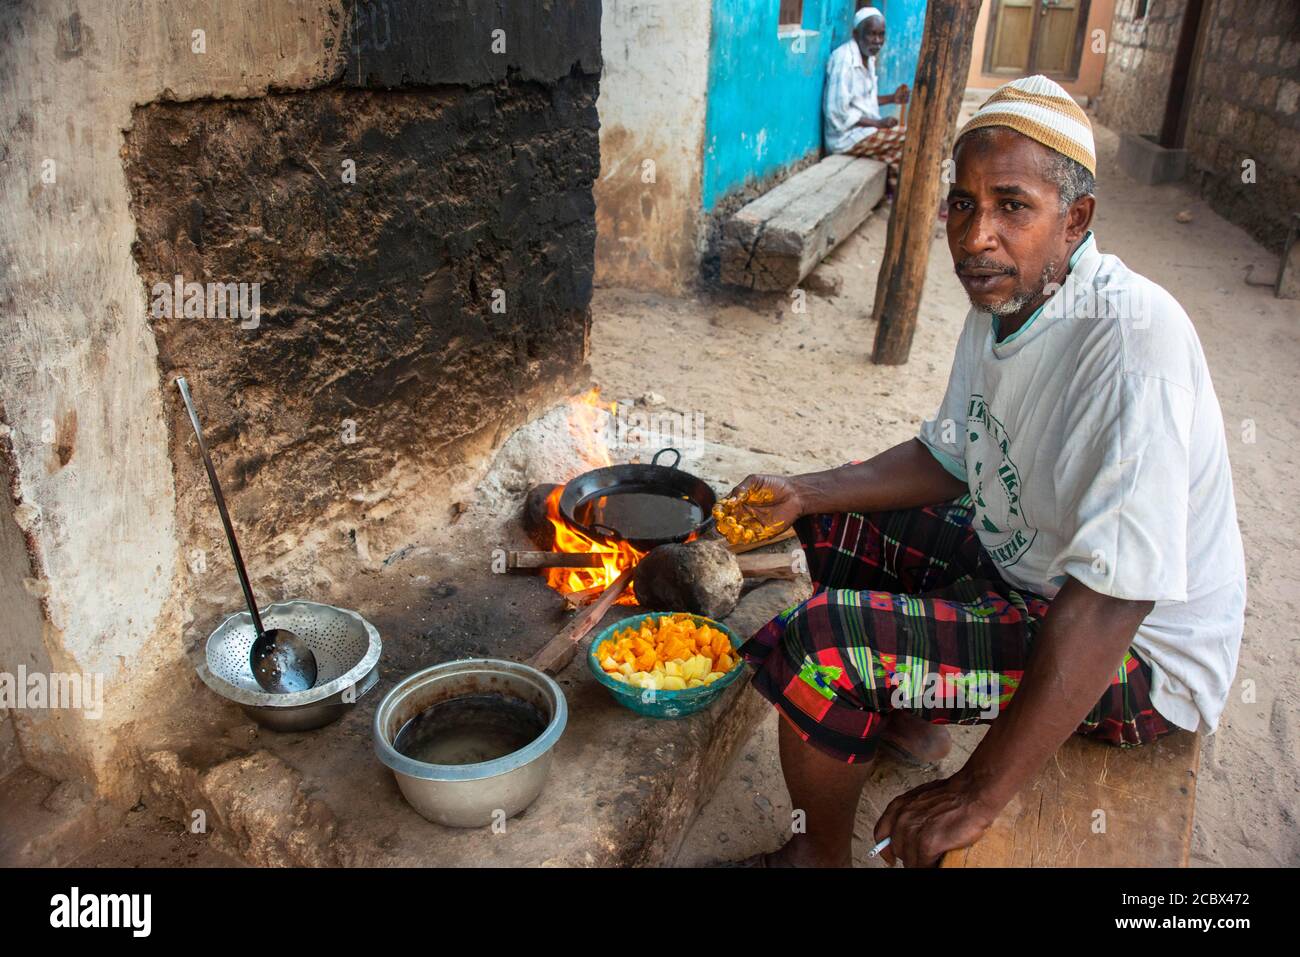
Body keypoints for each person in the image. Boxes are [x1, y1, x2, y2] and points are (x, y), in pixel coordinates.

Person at [725, 75, 1246, 868]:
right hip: (1038, 569)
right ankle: (912, 717)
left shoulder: (1136, 347)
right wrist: (806, 492)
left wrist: (980, 791)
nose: (975, 236)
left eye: (1012, 205)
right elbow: (950, 456)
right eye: (962, 204)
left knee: (820, 649)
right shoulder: (1004, 303)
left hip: (1138, 661)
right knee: (834, 527)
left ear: (1075, 220)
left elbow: (1113, 602)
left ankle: (816, 859)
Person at [823, 6, 910, 191]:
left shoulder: (868, 58)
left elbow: (864, 101)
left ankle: (897, 195)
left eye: (881, 35)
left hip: (864, 133)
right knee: (909, 137)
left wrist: (892, 98)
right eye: (872, 34)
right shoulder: (844, 60)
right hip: (845, 139)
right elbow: (837, 114)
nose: (878, 41)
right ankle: (899, 193)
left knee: (898, 155)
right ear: (856, 34)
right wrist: (877, 124)